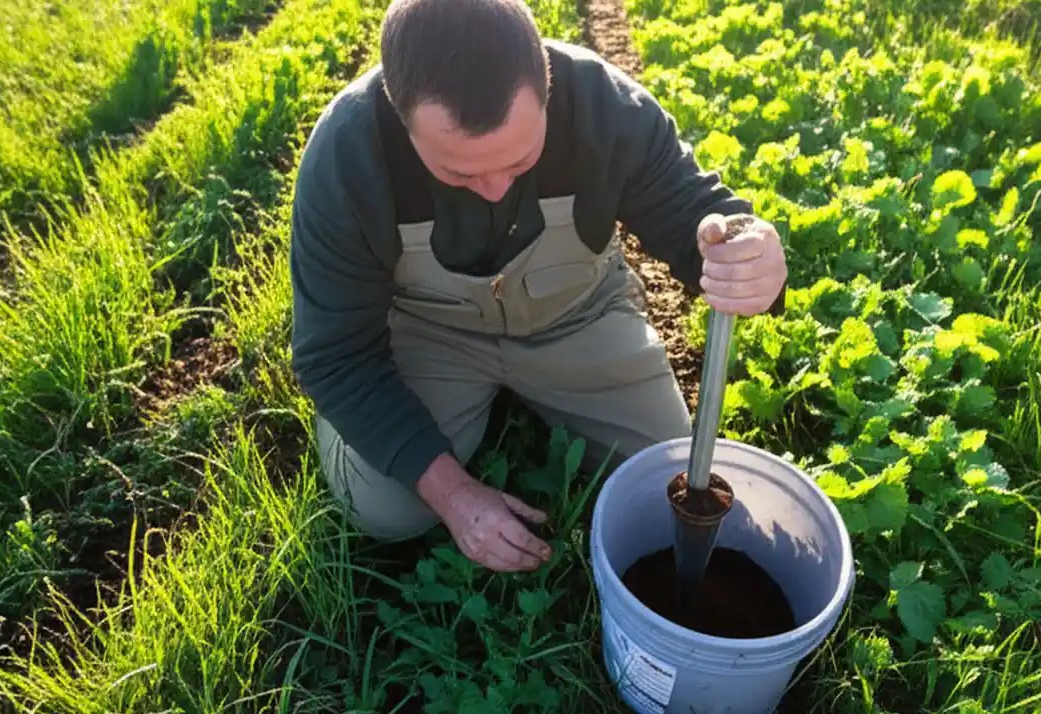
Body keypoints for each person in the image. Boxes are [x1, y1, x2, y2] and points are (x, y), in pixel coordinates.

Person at [288, 0, 787, 574]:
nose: (498, 189)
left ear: (546, 81)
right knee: (378, 504)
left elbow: (695, 214)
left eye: (520, 159)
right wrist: (455, 495)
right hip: (433, 332)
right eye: (460, 173)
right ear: (401, 117)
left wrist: (753, 257)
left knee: (660, 483)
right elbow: (336, 357)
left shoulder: (603, 106)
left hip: (579, 315)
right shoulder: (347, 156)